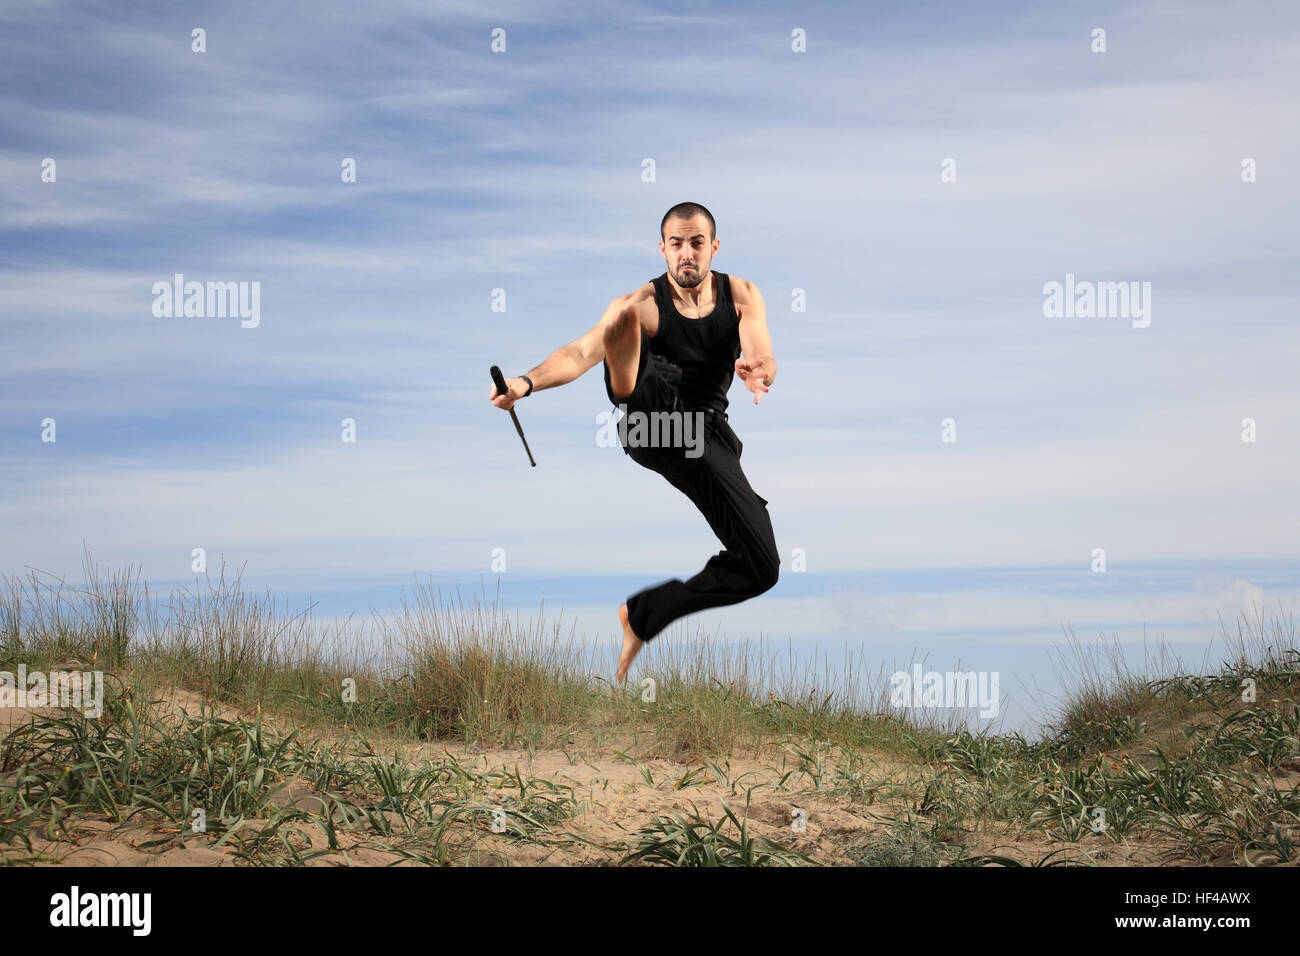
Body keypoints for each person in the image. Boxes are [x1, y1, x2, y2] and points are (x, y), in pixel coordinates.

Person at [489, 202, 779, 682]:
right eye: (677, 244)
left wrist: (761, 368)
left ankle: (643, 615)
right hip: (652, 426)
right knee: (634, 344)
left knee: (761, 566)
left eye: (697, 243)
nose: (687, 253)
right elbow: (579, 353)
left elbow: (762, 349)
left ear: (714, 247)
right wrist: (524, 382)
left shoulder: (743, 295)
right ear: (663, 249)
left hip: (709, 437)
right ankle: (626, 372)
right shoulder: (643, 302)